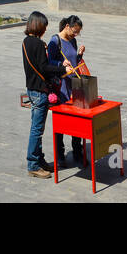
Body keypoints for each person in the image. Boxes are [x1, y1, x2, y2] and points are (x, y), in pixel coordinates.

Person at [21, 11, 77, 178]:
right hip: (39, 91)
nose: (45, 29)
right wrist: (62, 68)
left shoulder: (26, 42)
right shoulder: (37, 44)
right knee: (37, 130)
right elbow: (44, 67)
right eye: (44, 26)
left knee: (37, 128)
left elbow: (37, 66)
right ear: (38, 26)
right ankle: (33, 164)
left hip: (31, 88)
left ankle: (39, 159)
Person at [47, 15, 88, 168]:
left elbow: (74, 62)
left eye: (78, 32)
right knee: (61, 124)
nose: (75, 35)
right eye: (74, 31)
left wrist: (79, 55)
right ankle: (60, 156)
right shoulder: (55, 41)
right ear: (67, 27)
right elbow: (48, 63)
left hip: (73, 87)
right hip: (61, 89)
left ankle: (77, 153)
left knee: (77, 123)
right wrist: (60, 63)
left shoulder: (73, 41)